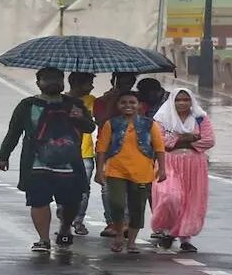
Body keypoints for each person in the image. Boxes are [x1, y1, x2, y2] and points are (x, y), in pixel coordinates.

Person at [0, 67, 96, 252]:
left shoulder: (74, 104)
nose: (52, 82)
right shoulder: (27, 105)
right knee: (38, 200)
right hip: (36, 163)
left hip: (70, 164)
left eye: (57, 78)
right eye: (47, 79)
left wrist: (80, 118)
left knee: (72, 201)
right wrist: (3, 155)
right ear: (38, 83)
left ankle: (65, 227)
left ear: (63, 82)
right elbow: (14, 132)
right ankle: (44, 239)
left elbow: (90, 127)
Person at [95, 91, 167, 254]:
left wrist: (162, 168)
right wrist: (99, 170)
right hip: (116, 170)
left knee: (137, 207)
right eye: (124, 102)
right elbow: (101, 148)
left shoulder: (149, 124)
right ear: (118, 106)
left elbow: (159, 147)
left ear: (139, 105)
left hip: (142, 172)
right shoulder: (111, 124)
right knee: (117, 204)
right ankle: (119, 234)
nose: (128, 106)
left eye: (132, 102)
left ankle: (132, 242)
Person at [150, 90, 215, 252]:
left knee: (191, 201)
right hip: (169, 162)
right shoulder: (162, 118)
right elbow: (160, 141)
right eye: (178, 100)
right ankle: (166, 229)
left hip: (194, 164)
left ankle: (185, 237)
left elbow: (208, 140)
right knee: (170, 196)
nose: (182, 103)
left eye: (186, 99)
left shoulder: (200, 118)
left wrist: (177, 141)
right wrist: (186, 139)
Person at [93, 71, 138, 237]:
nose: (124, 85)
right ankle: (112, 222)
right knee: (107, 189)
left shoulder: (136, 101)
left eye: (128, 82)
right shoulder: (101, 101)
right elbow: (101, 121)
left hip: (132, 151)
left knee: (130, 189)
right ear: (113, 81)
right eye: (121, 82)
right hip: (108, 150)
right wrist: (112, 101)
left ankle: (126, 222)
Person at [62, 72, 97, 236]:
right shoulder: (60, 101)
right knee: (63, 189)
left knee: (83, 189)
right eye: (88, 83)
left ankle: (78, 221)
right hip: (64, 152)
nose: (92, 87)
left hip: (85, 152)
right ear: (75, 83)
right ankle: (65, 220)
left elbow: (94, 124)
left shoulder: (93, 101)